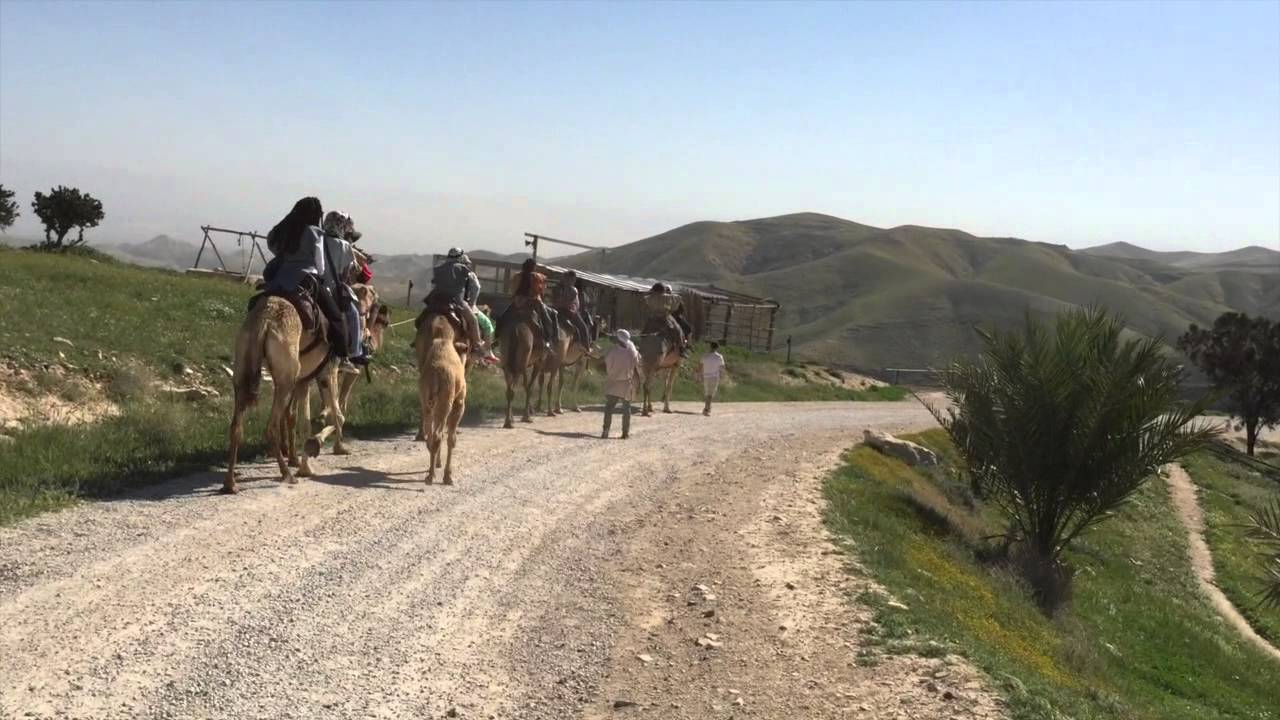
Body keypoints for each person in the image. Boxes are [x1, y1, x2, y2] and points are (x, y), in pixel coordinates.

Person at [264, 196, 353, 372]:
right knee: (335, 316)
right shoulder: (315, 233)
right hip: (304, 277)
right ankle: (343, 356)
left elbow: (271, 245)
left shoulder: (284, 229)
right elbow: (320, 265)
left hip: (278, 277)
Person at [321, 211, 368, 372]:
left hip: (313, 284)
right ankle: (352, 353)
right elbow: (346, 274)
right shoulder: (344, 246)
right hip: (331, 290)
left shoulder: (319, 239)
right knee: (353, 315)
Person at [423, 248, 484, 354]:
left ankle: (418, 339)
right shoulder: (464, 269)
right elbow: (476, 287)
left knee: (422, 318)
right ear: (460, 256)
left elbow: (434, 283)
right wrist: (472, 303)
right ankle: (478, 345)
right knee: (473, 320)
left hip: (437, 299)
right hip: (456, 301)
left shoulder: (438, 268)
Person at [496, 258, 556, 349]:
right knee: (547, 320)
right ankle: (547, 340)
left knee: (503, 316)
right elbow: (540, 291)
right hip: (533, 302)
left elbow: (514, 289)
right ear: (533, 267)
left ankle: (497, 337)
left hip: (518, 302)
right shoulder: (537, 277)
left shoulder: (517, 276)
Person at [601, 329, 642, 439]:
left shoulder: (613, 352)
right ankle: (625, 433)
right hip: (627, 383)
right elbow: (638, 360)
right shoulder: (632, 350)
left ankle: (606, 431)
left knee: (609, 408)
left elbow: (608, 368)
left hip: (614, 382)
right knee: (626, 409)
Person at [643, 282, 689, 357]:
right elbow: (678, 300)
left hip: (654, 317)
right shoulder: (668, 297)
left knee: (646, 330)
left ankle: (642, 345)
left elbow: (646, 304)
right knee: (677, 330)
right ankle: (681, 349)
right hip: (665, 317)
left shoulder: (650, 297)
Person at [553, 271, 593, 350]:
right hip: (569, 312)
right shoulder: (573, 289)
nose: (573, 281)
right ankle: (586, 347)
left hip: (556, 310)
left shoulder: (556, 288)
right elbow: (570, 302)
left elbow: (554, 299)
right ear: (570, 279)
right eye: (573, 279)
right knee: (583, 327)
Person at [700, 341, 726, 416]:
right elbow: (722, 367)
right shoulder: (719, 357)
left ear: (710, 347)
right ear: (717, 348)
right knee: (710, 394)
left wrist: (699, 375)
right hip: (714, 377)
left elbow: (700, 366)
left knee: (707, 393)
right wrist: (723, 376)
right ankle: (706, 409)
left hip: (706, 376)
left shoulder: (705, 356)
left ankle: (708, 407)